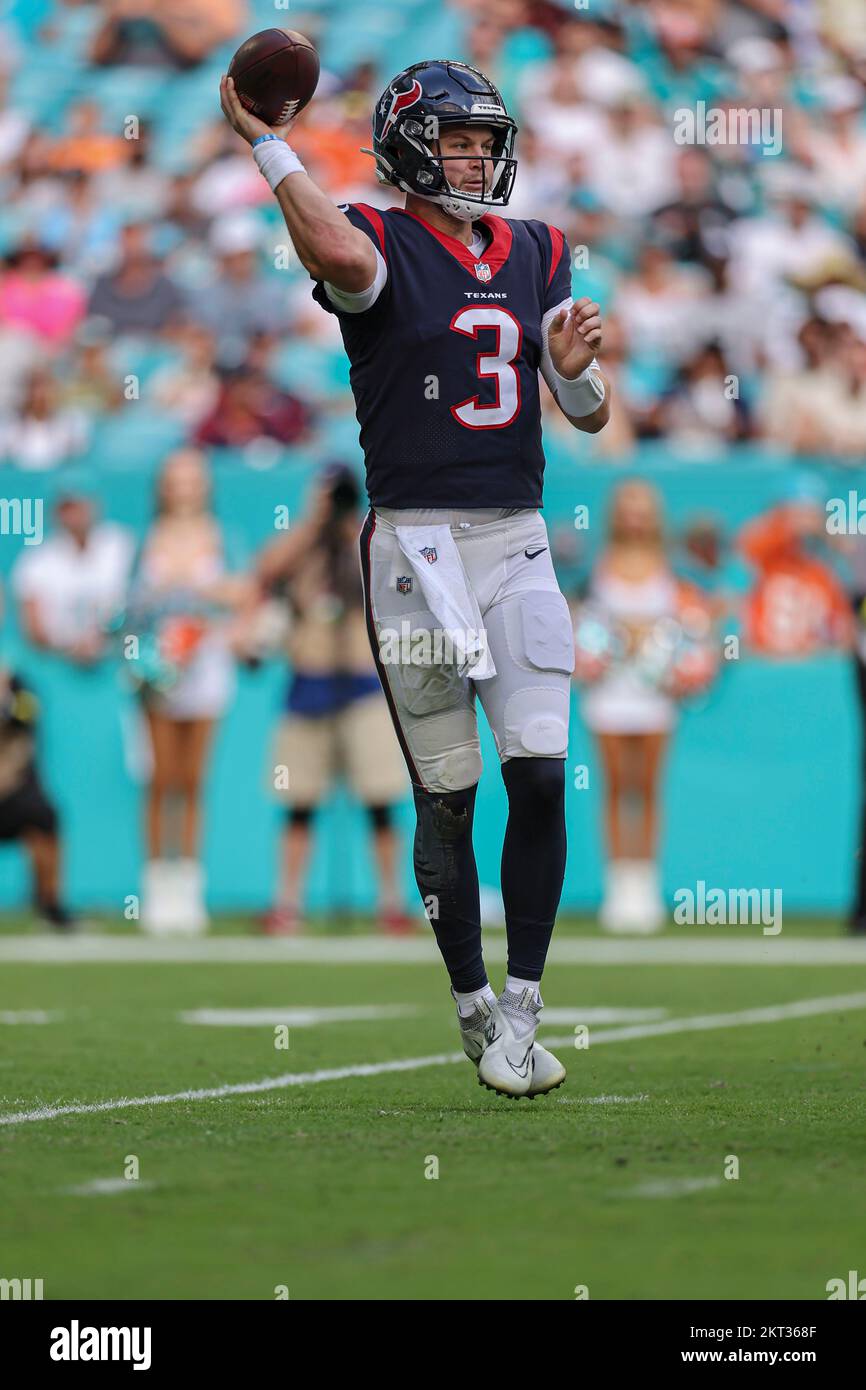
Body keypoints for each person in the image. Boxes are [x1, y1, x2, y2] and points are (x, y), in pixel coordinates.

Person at [220, 57, 611, 1097]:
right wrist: (269, 146)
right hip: (413, 549)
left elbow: (587, 411)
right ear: (404, 147)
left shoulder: (538, 249)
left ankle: (522, 1009)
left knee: (538, 767)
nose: (477, 157)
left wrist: (573, 371)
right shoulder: (376, 233)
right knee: (447, 797)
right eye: (457, 139)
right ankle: (470, 1001)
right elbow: (343, 260)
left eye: (487, 140)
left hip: (515, 535)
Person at [257, 465, 411, 936]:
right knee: (298, 802)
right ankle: (288, 904)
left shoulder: (367, 542)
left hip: (365, 685)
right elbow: (266, 572)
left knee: (380, 800)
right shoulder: (303, 550)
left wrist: (353, 527)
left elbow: (398, 585)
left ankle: (392, 902)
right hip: (310, 681)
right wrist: (313, 522)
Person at [126, 448, 251, 933]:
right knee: (161, 777)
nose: (184, 487)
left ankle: (189, 893)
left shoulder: (223, 536)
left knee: (195, 778)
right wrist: (158, 599)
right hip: (158, 669)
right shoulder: (146, 538)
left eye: (192, 478)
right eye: (175, 478)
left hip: (207, 664)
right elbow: (127, 604)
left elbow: (242, 592)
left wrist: (204, 593)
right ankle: (157, 890)